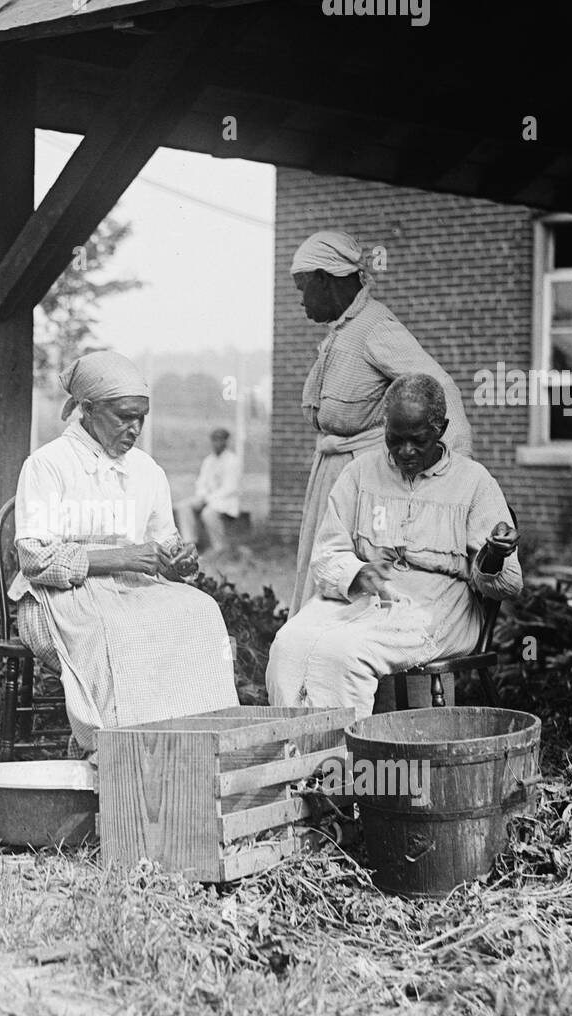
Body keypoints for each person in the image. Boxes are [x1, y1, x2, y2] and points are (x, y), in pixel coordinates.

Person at [11, 350, 239, 753]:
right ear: (87, 409)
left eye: (141, 418)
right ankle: (116, 753)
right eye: (124, 417)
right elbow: (35, 561)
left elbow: (164, 539)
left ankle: (192, 748)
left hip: (132, 590)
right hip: (58, 598)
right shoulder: (48, 465)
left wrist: (177, 560)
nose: (135, 428)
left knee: (201, 612)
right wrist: (124, 558)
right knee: (121, 634)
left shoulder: (146, 470)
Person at [266, 374, 520, 719]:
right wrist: (356, 574)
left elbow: (507, 585)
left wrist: (494, 556)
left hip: (437, 605)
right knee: (289, 643)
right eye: (394, 439)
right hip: (363, 598)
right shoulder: (359, 473)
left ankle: (344, 757)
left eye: (417, 440)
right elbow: (326, 553)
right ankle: (297, 751)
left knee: (347, 652)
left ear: (442, 429)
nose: (405, 451)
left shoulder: (474, 482)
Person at [288, 230, 474, 613]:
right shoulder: (343, 330)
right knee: (327, 575)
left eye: (303, 288)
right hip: (335, 474)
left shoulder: (375, 328)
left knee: (357, 588)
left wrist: (455, 475)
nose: (301, 300)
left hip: (368, 483)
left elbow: (441, 388)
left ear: (325, 279)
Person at [176, 427, 243, 556]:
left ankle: (219, 547)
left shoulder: (232, 461)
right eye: (214, 440)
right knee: (183, 507)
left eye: (220, 440)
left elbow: (230, 488)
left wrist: (210, 498)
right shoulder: (208, 461)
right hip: (207, 498)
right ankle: (189, 543)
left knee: (208, 513)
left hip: (226, 501)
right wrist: (202, 495)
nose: (217, 444)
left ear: (225, 442)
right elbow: (201, 482)